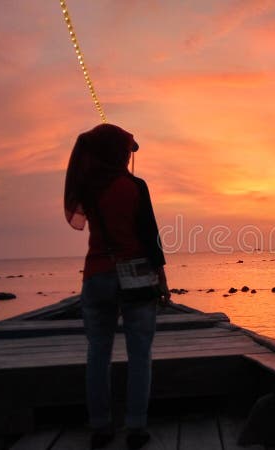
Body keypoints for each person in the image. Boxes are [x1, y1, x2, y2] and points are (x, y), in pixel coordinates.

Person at [64, 123, 170, 449]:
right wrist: (163, 280)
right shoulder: (135, 187)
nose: (128, 155)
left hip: (96, 276)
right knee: (140, 355)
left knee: (98, 353)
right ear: (118, 153)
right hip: (137, 275)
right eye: (126, 150)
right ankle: (136, 427)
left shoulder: (87, 190)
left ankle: (101, 426)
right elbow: (150, 237)